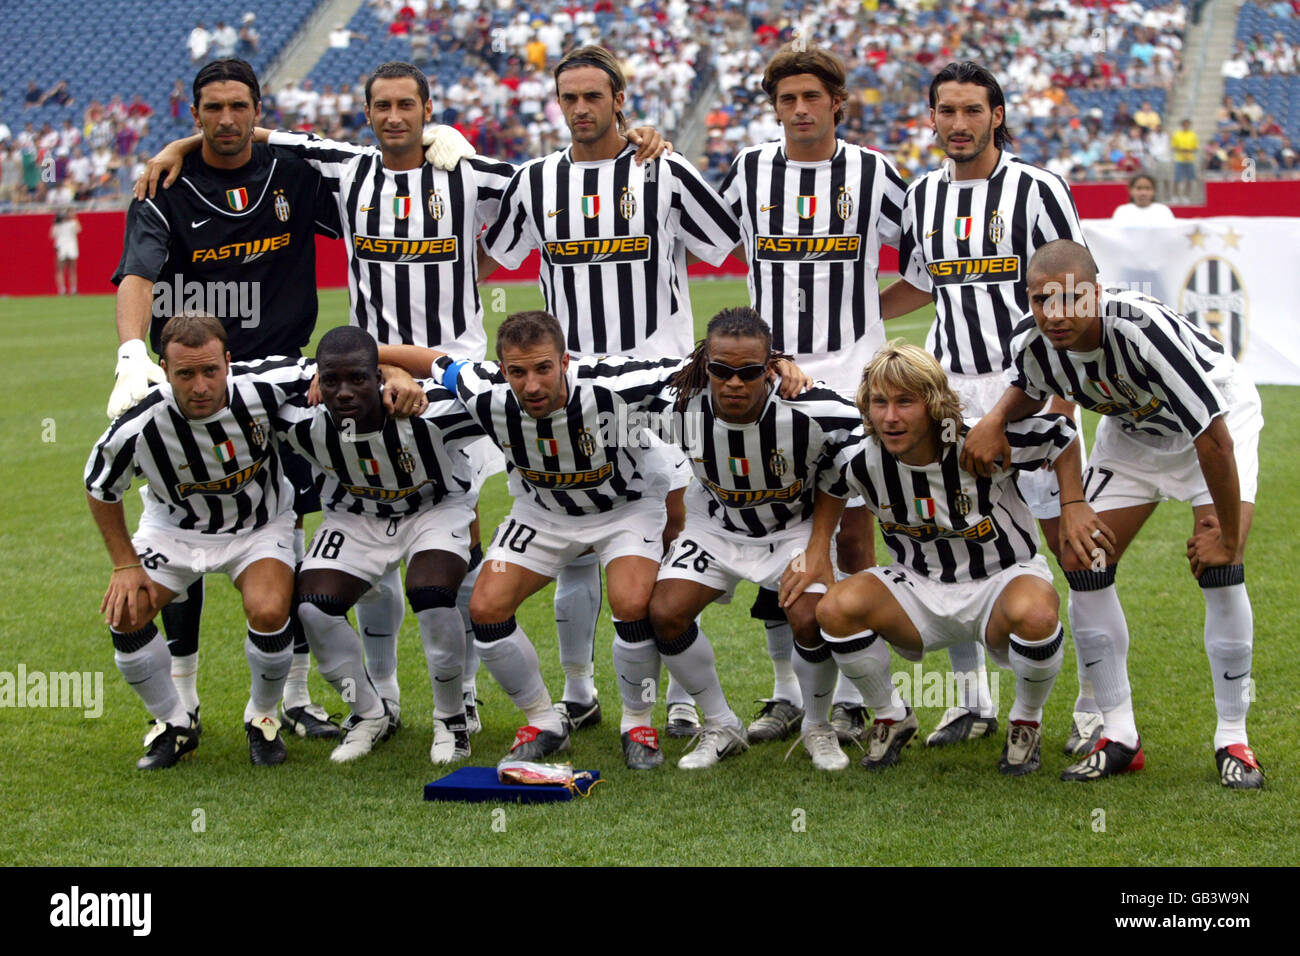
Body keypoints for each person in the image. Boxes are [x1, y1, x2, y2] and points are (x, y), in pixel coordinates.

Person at [141, 60, 670, 732]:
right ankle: (386, 694)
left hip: (456, 385)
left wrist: (643, 142)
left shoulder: (470, 173)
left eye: (407, 106)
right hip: (361, 381)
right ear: (366, 114)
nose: (394, 117)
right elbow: (246, 132)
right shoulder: (344, 168)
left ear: (428, 108)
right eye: (381, 106)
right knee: (372, 524)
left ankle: (486, 694)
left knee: (462, 533)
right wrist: (174, 147)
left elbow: (565, 173)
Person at [376, 311, 811, 768]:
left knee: (632, 601)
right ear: (501, 371)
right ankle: (544, 722)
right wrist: (387, 367)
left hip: (625, 508)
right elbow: (434, 360)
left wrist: (777, 364)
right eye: (518, 372)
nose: (532, 385)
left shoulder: (613, 382)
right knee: (486, 607)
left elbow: (706, 364)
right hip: (542, 512)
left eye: (544, 368)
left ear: (565, 360)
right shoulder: (482, 388)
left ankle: (637, 723)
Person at [482, 46, 741, 740]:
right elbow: (494, 256)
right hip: (565, 390)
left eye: (594, 95)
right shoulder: (534, 182)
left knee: (676, 537)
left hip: (656, 394)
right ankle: (576, 690)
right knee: (571, 527)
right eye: (569, 97)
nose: (581, 108)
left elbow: (724, 241)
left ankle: (681, 695)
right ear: (558, 103)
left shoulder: (663, 169)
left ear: (621, 98)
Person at [963, 240, 1265, 789]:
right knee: (1085, 561)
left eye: (1071, 299)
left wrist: (1226, 535)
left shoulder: (1141, 331)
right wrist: (996, 419)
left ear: (1095, 294)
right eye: (1040, 300)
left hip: (1215, 423)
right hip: (1132, 431)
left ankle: (1233, 738)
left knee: (1220, 567)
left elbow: (1214, 441)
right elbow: (1035, 390)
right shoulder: (1033, 341)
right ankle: (1120, 735)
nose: (1055, 314)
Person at [109, 58, 346, 741]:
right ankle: (180, 703)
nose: (226, 119)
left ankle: (293, 698)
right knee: (186, 527)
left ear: (257, 108)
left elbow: (369, 185)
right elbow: (136, 275)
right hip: (195, 387)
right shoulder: (166, 186)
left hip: (281, 387)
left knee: (290, 529)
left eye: (238, 106)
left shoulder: (293, 175)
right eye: (212, 109)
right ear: (195, 114)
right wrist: (131, 352)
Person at [881, 61, 1093, 755]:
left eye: (973, 110)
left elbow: (1075, 286)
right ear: (932, 117)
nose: (959, 124)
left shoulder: (1038, 189)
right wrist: (851, 317)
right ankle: (971, 701)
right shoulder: (921, 196)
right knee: (949, 535)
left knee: (1073, 549)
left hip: (1028, 385)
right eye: (947, 111)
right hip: (949, 391)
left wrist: (1062, 402)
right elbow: (920, 283)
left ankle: (1098, 704)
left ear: (997, 114)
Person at [718, 42, 907, 747]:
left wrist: (865, 318)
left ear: (837, 103)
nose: (799, 110)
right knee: (774, 527)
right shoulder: (747, 171)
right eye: (786, 99)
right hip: (768, 383)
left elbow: (922, 264)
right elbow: (695, 233)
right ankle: (784, 694)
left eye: (811, 97)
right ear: (775, 108)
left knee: (856, 535)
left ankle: (862, 692)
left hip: (855, 384)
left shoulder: (873, 173)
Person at [817, 341, 1081, 775]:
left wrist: (1072, 505)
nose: (890, 416)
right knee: (835, 607)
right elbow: (831, 482)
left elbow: (1060, 435)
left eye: (905, 402)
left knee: (1035, 615)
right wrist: (816, 550)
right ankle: (890, 715)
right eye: (879, 403)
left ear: (934, 403)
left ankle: (1026, 721)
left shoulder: (978, 441)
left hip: (1002, 581)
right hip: (919, 587)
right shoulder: (863, 459)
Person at [85, 315, 305, 770]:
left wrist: (399, 373)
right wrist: (125, 564)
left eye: (210, 371)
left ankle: (263, 718)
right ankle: (175, 723)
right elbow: (100, 486)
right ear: (164, 370)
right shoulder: (139, 422)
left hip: (258, 527)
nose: (200, 385)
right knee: (126, 614)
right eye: (185, 374)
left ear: (229, 362)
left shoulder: (262, 384)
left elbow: (340, 360)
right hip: (174, 532)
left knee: (268, 609)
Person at [648, 308, 862, 770]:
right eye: (721, 370)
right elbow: (594, 382)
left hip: (791, 531)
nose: (733, 383)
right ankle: (721, 724)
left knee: (811, 616)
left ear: (770, 368)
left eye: (749, 372)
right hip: (715, 529)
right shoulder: (674, 403)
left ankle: (818, 726)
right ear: (705, 364)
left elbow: (847, 468)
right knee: (665, 612)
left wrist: (819, 545)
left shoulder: (816, 408)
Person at [278, 327, 481, 765]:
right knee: (313, 606)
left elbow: (490, 390)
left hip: (433, 510)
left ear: (379, 378)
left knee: (431, 593)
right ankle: (370, 713)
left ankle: (450, 716)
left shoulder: (433, 410)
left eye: (358, 379)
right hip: (354, 517)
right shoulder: (297, 416)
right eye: (331, 381)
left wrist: (401, 368)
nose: (344, 392)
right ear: (317, 379)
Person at [1111, 171, 1175, 225]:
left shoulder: (1163, 211)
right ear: (1130, 190)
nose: (1143, 193)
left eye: (1147, 188)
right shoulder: (1122, 211)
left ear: (1154, 191)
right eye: (1139, 188)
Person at [50, 209, 80, 295]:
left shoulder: (69, 224)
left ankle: (68, 289)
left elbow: (52, 235)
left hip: (66, 247)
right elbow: (79, 228)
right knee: (65, 269)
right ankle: (66, 289)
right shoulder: (66, 224)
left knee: (67, 269)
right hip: (66, 247)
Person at [1171, 119, 1198, 202]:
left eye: (1188, 125)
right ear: (1182, 125)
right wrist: (1181, 150)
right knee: (1177, 178)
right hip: (1179, 159)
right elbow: (1173, 146)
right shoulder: (1176, 134)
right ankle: (1175, 195)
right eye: (1184, 124)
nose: (1186, 126)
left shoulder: (1193, 135)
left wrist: (1189, 151)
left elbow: (1195, 147)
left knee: (1189, 179)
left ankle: (1186, 196)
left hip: (1190, 159)